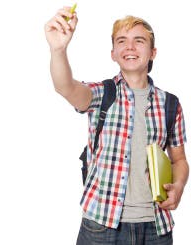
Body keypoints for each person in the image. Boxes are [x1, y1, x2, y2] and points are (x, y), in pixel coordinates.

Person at [45, 6, 188, 244]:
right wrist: (58, 49)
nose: (130, 47)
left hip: (156, 228)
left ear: (153, 52)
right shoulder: (102, 94)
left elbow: (179, 159)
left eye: (138, 40)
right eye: (122, 41)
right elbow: (65, 86)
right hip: (102, 227)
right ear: (113, 53)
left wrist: (179, 186)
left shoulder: (170, 103)